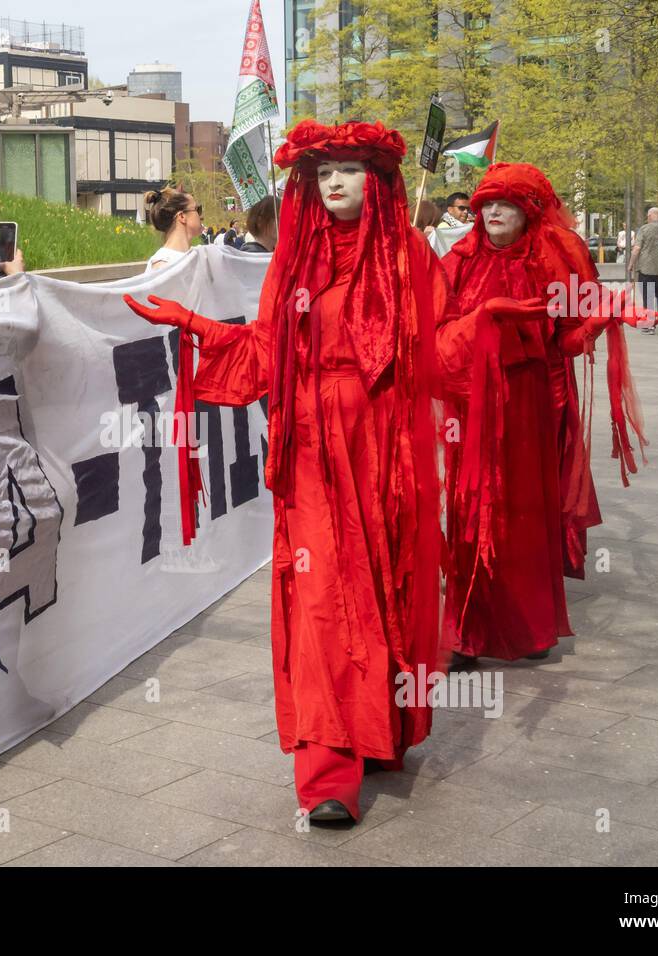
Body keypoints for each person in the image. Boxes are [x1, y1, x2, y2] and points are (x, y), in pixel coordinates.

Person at [123, 119, 527, 825]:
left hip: (385, 451)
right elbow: (265, 350)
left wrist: (488, 319)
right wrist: (198, 327)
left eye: (349, 168)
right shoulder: (294, 262)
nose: (333, 181)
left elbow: (440, 349)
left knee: (384, 588)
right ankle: (327, 771)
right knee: (319, 600)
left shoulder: (407, 256)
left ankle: (377, 729)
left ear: (378, 177)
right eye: (322, 170)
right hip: (312, 449)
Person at [439, 162, 647, 667]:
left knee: (526, 513)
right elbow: (436, 339)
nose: (491, 212)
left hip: (533, 401)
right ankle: (467, 631)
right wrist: (479, 324)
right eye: (486, 203)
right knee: (472, 510)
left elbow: (568, 342)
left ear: (528, 211)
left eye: (504, 204)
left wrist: (599, 322)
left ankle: (530, 627)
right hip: (471, 404)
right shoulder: (458, 262)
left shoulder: (554, 259)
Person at [629, 207, 658, 333]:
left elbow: (637, 248)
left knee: (648, 296)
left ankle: (650, 325)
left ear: (649, 216)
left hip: (646, 268)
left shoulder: (644, 229)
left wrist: (631, 263)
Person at [138, 186, 203, 273]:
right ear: (182, 216)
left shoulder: (194, 255)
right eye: (197, 209)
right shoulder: (163, 265)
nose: (201, 216)